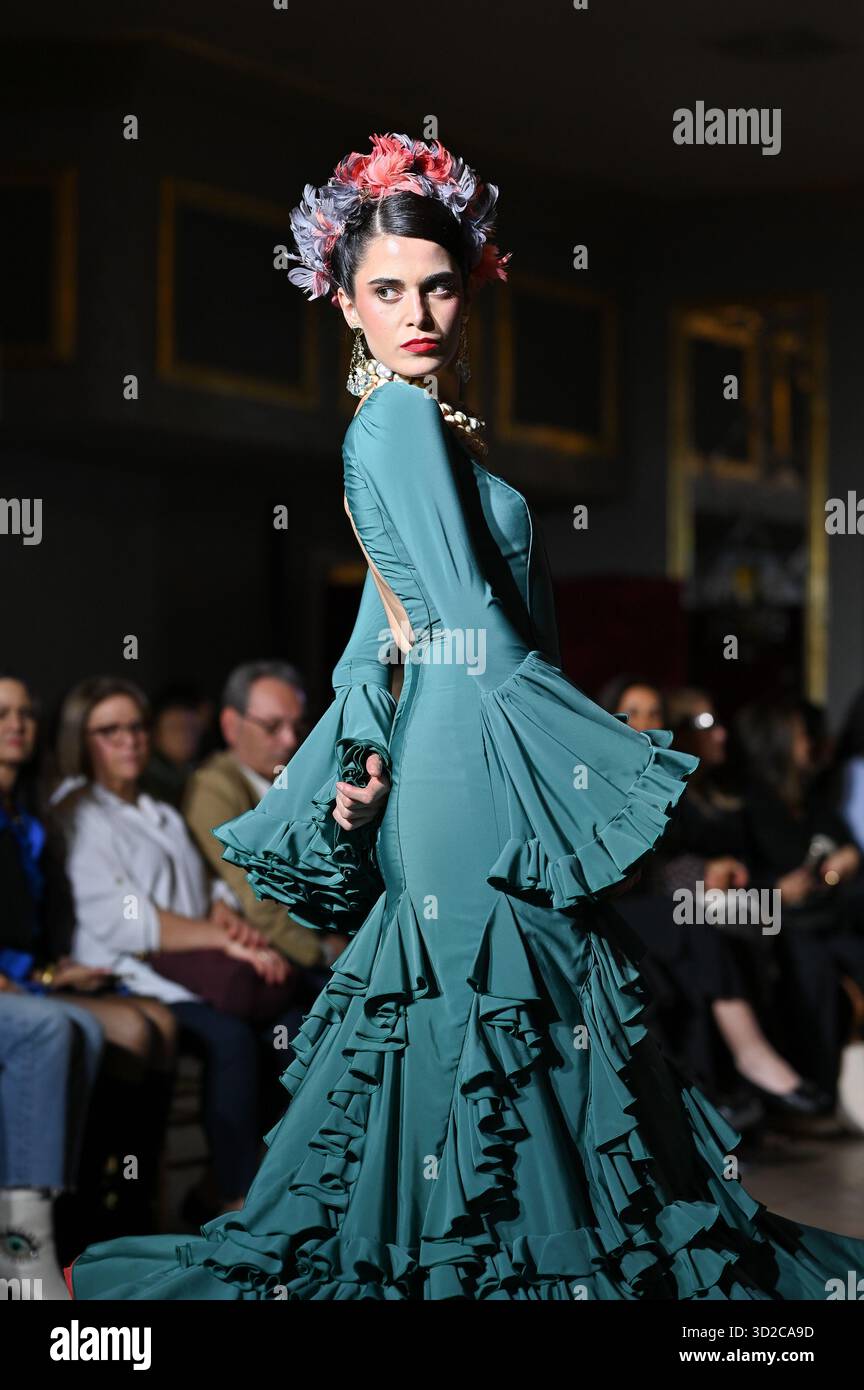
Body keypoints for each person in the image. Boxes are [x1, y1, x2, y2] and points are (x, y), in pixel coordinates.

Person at [65, 132, 864, 1300]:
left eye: (437, 283)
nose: (417, 308)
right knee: (504, 995)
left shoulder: (424, 426)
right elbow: (469, 622)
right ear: (344, 304)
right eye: (386, 289)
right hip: (472, 762)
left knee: (502, 1003)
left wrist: (364, 751)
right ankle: (507, 1261)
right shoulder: (391, 422)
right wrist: (597, 769)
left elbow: (386, 630)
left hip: (458, 749)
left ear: (469, 284)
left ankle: (472, 1257)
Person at [51, 676, 294, 1223]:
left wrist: (234, 925)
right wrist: (228, 943)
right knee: (231, 1039)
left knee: (288, 1024)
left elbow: (204, 886)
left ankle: (233, 1186)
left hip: (194, 967)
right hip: (129, 973)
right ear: (78, 740)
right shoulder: (77, 811)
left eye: (135, 728)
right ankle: (236, 1201)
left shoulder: (155, 806)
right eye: (109, 731)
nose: (130, 741)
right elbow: (125, 918)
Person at [183, 661, 343, 1001]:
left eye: (297, 725)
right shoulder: (214, 788)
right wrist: (324, 954)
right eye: (272, 727)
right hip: (279, 956)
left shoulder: (298, 779)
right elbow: (255, 897)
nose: (290, 739)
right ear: (230, 725)